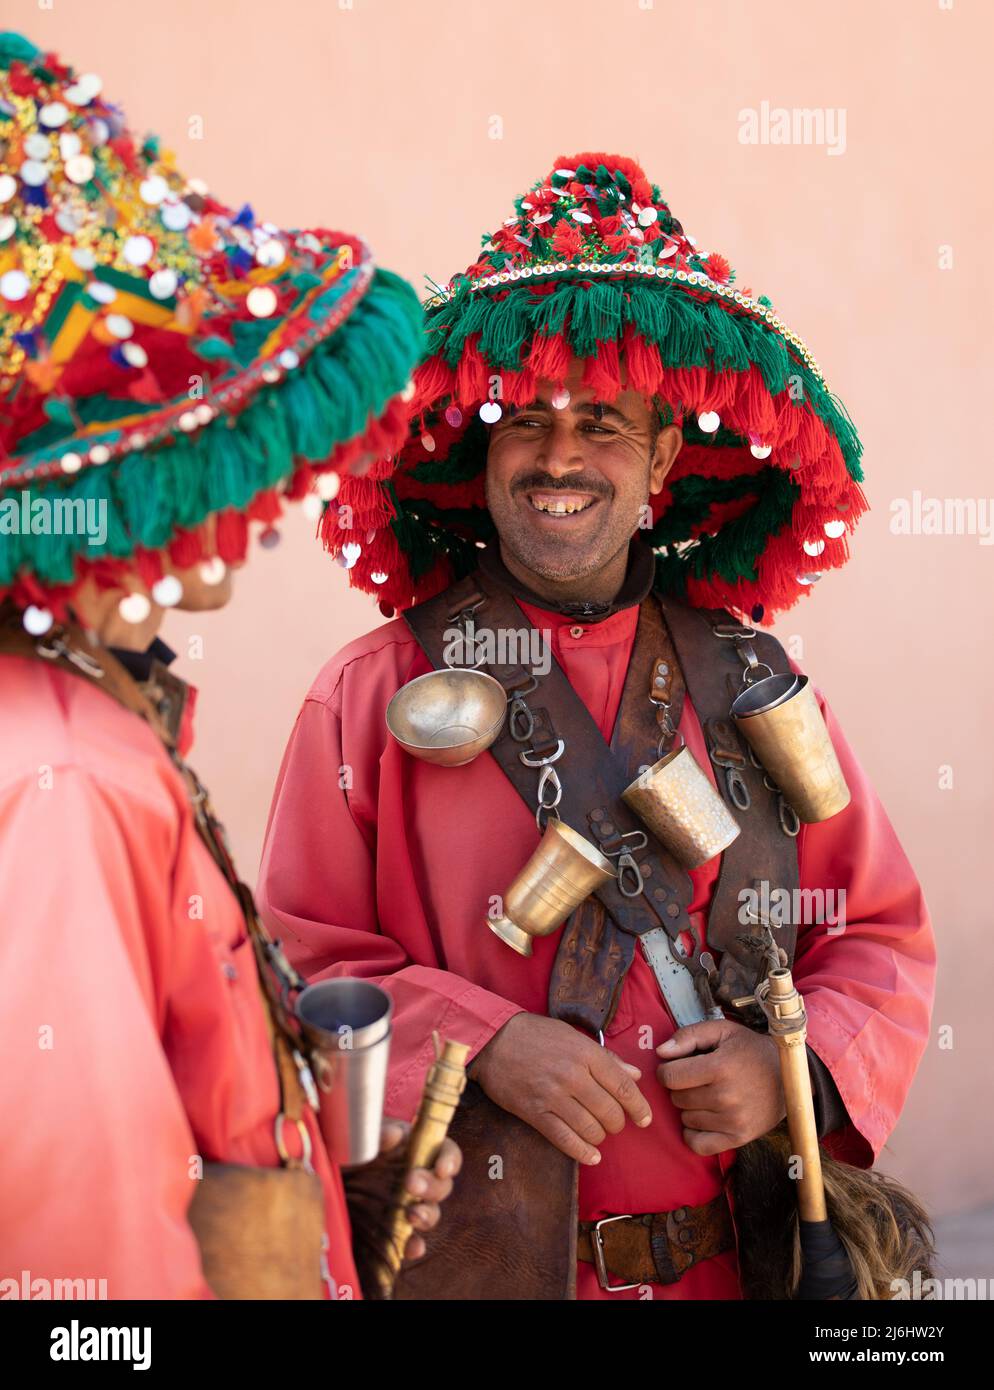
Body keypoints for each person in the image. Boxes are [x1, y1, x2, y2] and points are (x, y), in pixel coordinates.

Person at [258, 152, 936, 1300]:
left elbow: (873, 937)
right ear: (483, 458)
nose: (560, 456)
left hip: (736, 1274)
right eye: (525, 422)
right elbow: (298, 968)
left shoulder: (761, 686)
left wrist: (793, 1072)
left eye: (601, 425)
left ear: (662, 460)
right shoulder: (369, 693)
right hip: (469, 1272)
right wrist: (481, 1043)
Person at [0, 31, 458, 1302]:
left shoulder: (73, 719)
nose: (252, 500)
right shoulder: (58, 775)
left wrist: (314, 1207)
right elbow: (78, 1267)